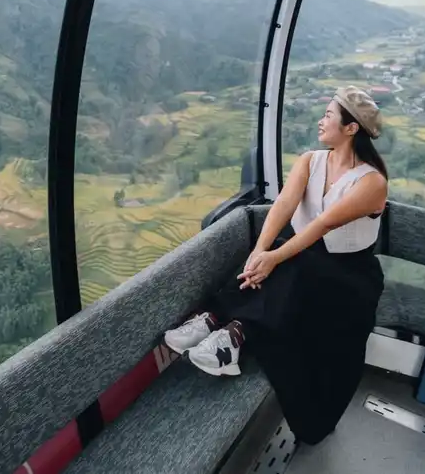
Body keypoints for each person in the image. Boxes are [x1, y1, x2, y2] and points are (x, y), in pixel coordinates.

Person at [163, 85, 388, 446]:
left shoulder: (372, 182)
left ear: (351, 128)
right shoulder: (310, 161)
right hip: (302, 263)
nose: (321, 120)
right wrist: (260, 250)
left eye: (329, 115)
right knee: (286, 261)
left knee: (292, 263)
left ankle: (226, 323)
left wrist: (273, 257)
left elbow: (322, 225)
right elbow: (284, 205)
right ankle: (227, 331)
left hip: (349, 278)